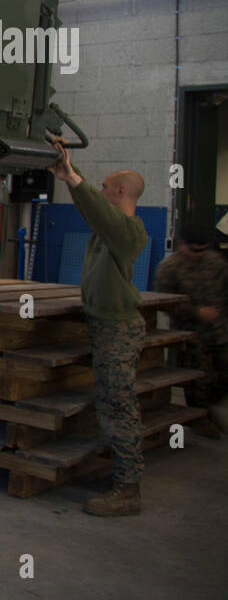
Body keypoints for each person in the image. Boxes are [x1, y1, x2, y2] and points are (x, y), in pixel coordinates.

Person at [48, 137, 148, 516]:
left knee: (118, 406)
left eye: (105, 186)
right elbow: (96, 213)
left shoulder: (130, 232)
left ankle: (128, 489)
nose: (101, 190)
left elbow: (101, 214)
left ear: (120, 191)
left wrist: (73, 177)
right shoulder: (107, 231)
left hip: (118, 330)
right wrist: (67, 176)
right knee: (110, 404)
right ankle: (120, 477)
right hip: (103, 326)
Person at [154, 222, 228, 415]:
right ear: (182, 244)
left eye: (203, 250)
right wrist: (196, 312)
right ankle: (200, 419)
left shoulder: (216, 263)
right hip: (191, 337)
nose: (199, 254)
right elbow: (165, 303)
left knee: (222, 377)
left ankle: (212, 412)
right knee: (197, 382)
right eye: (194, 250)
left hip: (220, 332)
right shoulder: (169, 268)